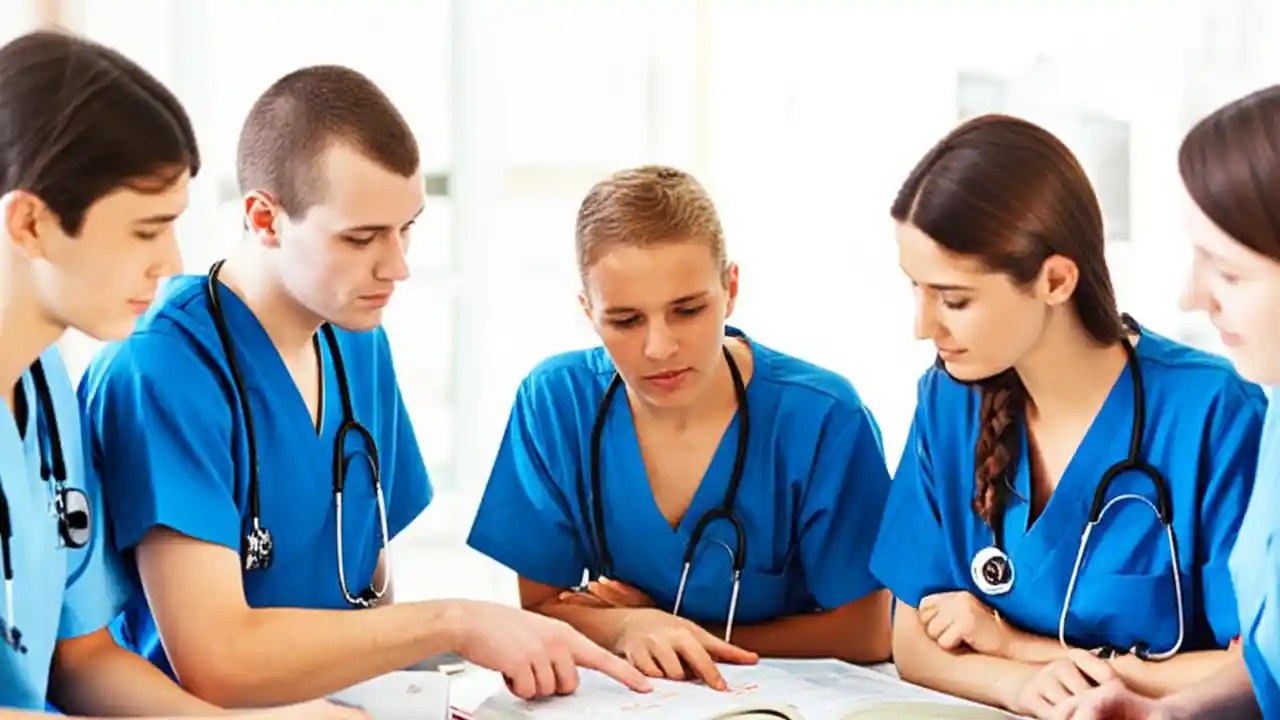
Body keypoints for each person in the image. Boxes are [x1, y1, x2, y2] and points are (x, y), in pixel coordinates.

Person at [77, 64, 650, 708]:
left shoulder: (355, 336)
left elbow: (369, 594)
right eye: (361, 238)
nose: (398, 266)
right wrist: (457, 622)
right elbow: (218, 661)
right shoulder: (163, 369)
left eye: (407, 229)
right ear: (265, 219)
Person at [0, 29, 360, 719]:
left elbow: (84, 659)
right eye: (144, 230)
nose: (170, 262)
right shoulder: (143, 368)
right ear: (31, 224)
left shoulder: (45, 393)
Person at [867, 114, 1267, 719]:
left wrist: (1018, 649)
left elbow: (1254, 665)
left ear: (1055, 280)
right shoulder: (949, 401)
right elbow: (913, 641)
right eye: (915, 290)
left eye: (954, 299)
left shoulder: (1214, 412)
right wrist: (1018, 687)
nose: (923, 326)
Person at [465, 165, 895, 692]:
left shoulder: (822, 417)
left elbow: (868, 631)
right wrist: (627, 624)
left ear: (730, 288)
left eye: (688, 310)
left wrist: (674, 632)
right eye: (625, 321)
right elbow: (540, 609)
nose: (659, 348)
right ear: (588, 311)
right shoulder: (556, 403)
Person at [1053, 85, 1280, 720]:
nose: (1189, 298)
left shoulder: (1219, 407)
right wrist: (1167, 712)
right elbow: (1270, 663)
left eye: (1229, 271)